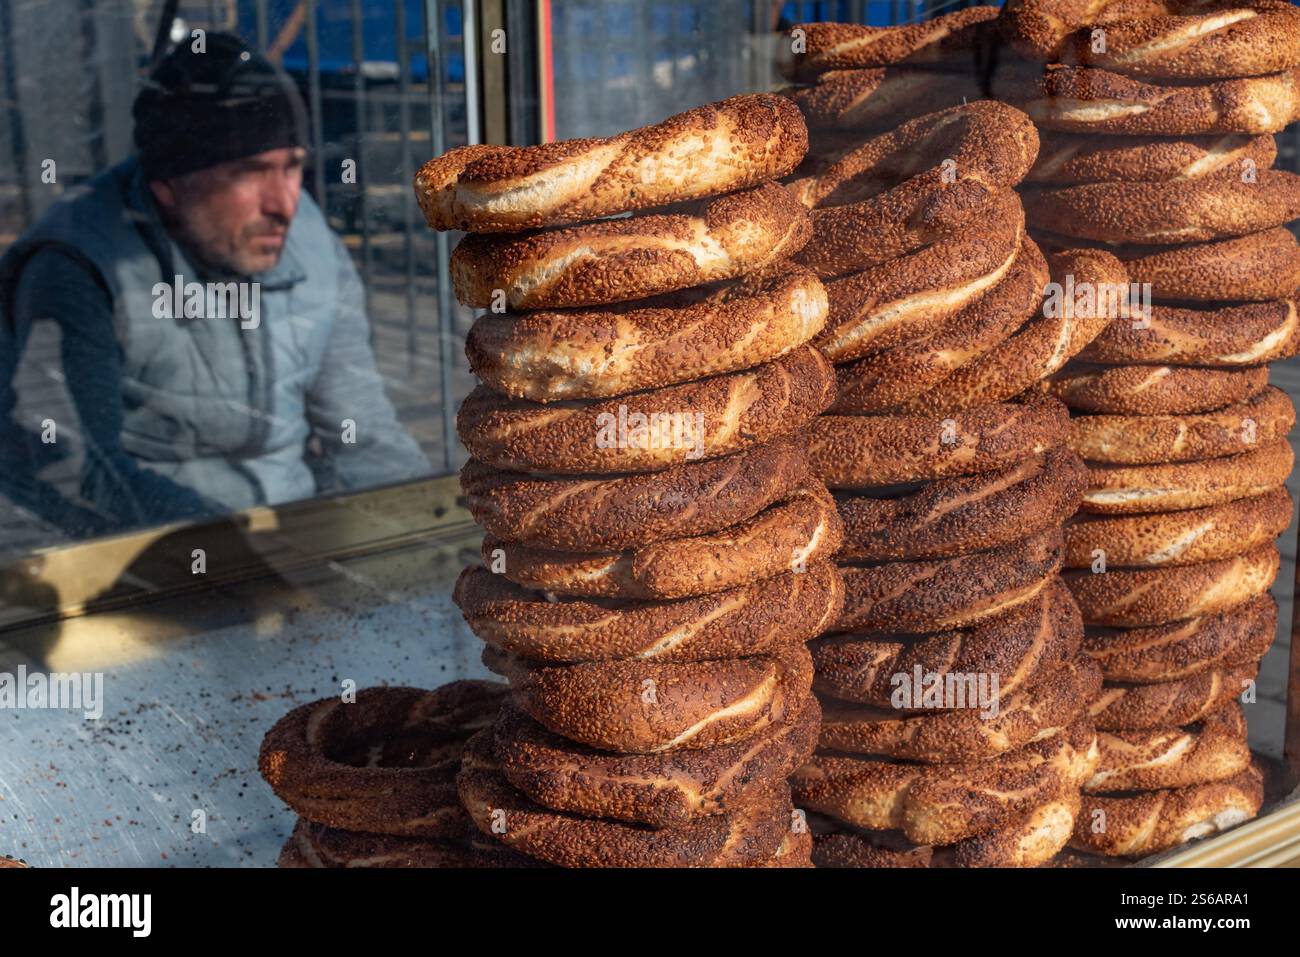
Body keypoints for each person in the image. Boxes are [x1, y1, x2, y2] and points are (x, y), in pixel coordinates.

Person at [0, 33, 429, 535]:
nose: (284, 204)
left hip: (292, 541)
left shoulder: (309, 241)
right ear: (167, 187)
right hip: (136, 559)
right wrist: (237, 556)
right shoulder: (78, 266)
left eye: (292, 167)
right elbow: (76, 467)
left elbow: (363, 433)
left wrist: (425, 534)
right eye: (249, 172)